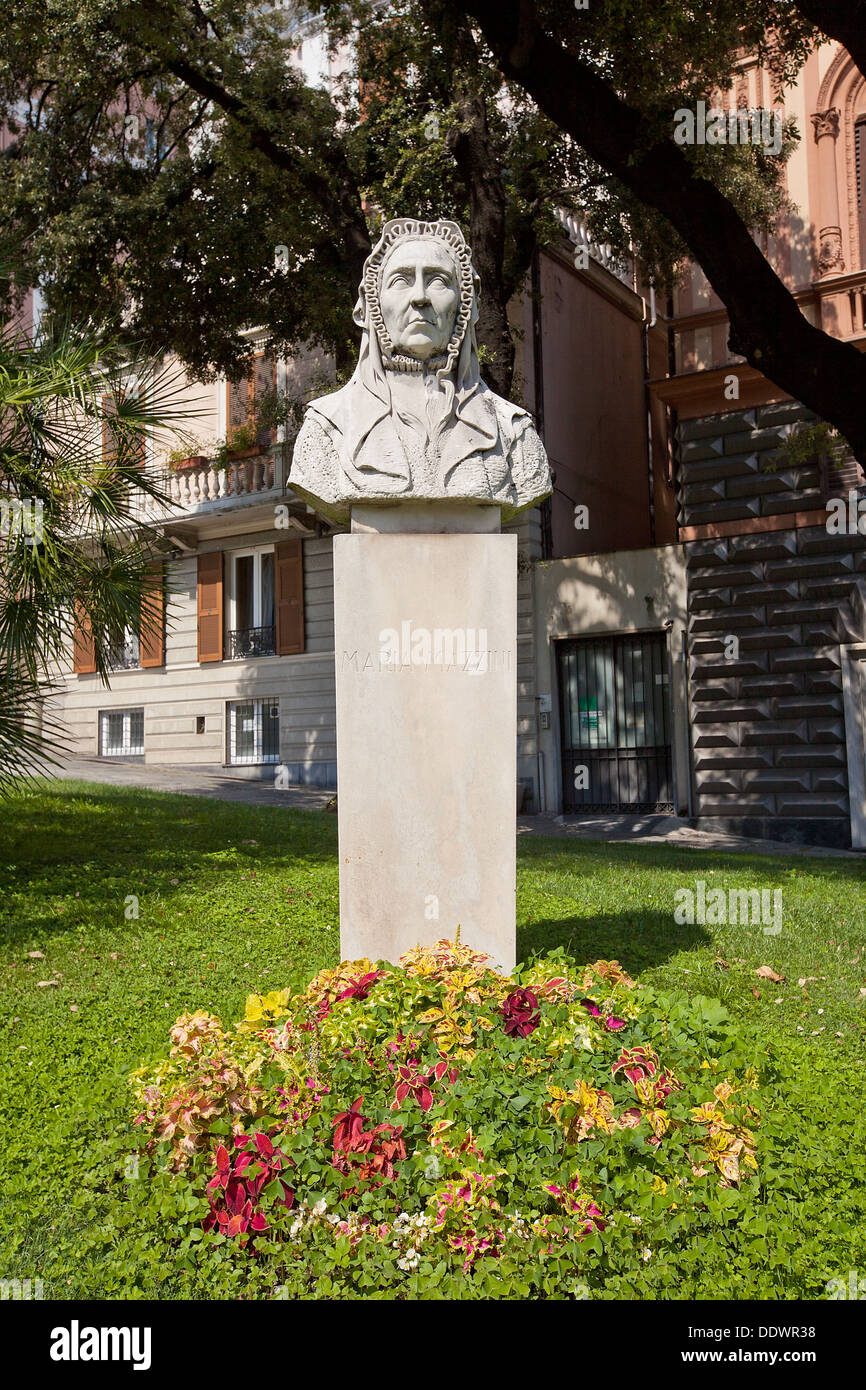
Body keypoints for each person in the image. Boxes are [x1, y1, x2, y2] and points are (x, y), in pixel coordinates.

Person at [289, 217, 551, 523]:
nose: (420, 298)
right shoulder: (328, 426)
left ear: (466, 306)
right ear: (371, 306)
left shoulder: (512, 430)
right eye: (401, 281)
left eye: (438, 280)